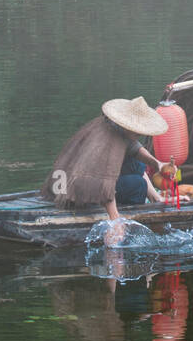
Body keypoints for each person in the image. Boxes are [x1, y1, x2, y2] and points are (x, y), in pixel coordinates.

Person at [41, 96, 170, 244]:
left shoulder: (115, 128)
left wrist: (157, 164)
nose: (140, 133)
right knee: (138, 184)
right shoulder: (109, 141)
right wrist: (115, 222)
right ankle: (132, 211)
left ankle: (155, 197)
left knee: (135, 163)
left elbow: (135, 149)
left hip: (75, 182)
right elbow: (104, 183)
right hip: (77, 190)